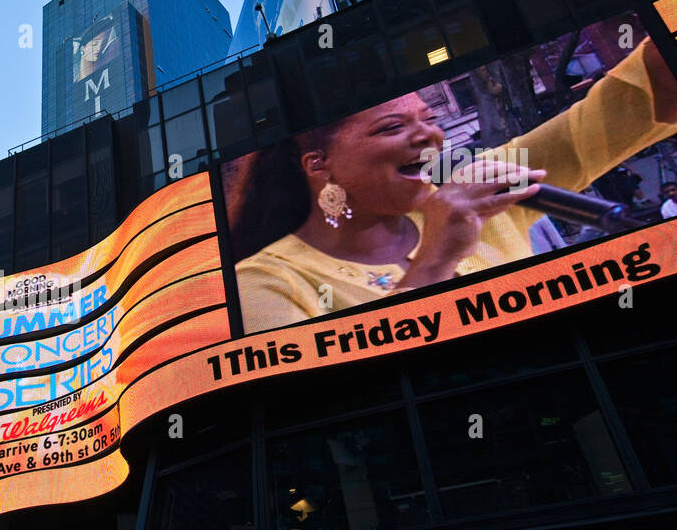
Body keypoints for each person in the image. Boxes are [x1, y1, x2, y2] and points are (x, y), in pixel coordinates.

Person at [229, 38, 677, 334]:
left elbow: (630, 103)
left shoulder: (479, 191)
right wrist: (437, 257)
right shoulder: (266, 284)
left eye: (430, 119)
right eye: (391, 128)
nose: (431, 137)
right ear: (318, 165)